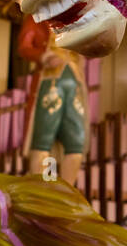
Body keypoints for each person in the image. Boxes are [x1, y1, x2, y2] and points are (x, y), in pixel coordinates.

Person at [17, 14, 88, 186]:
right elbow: (25, 47)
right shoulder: (37, 17)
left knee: (76, 142)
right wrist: (44, 57)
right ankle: (42, 190)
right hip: (49, 82)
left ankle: (66, 190)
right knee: (43, 139)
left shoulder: (75, 16)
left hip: (74, 83)